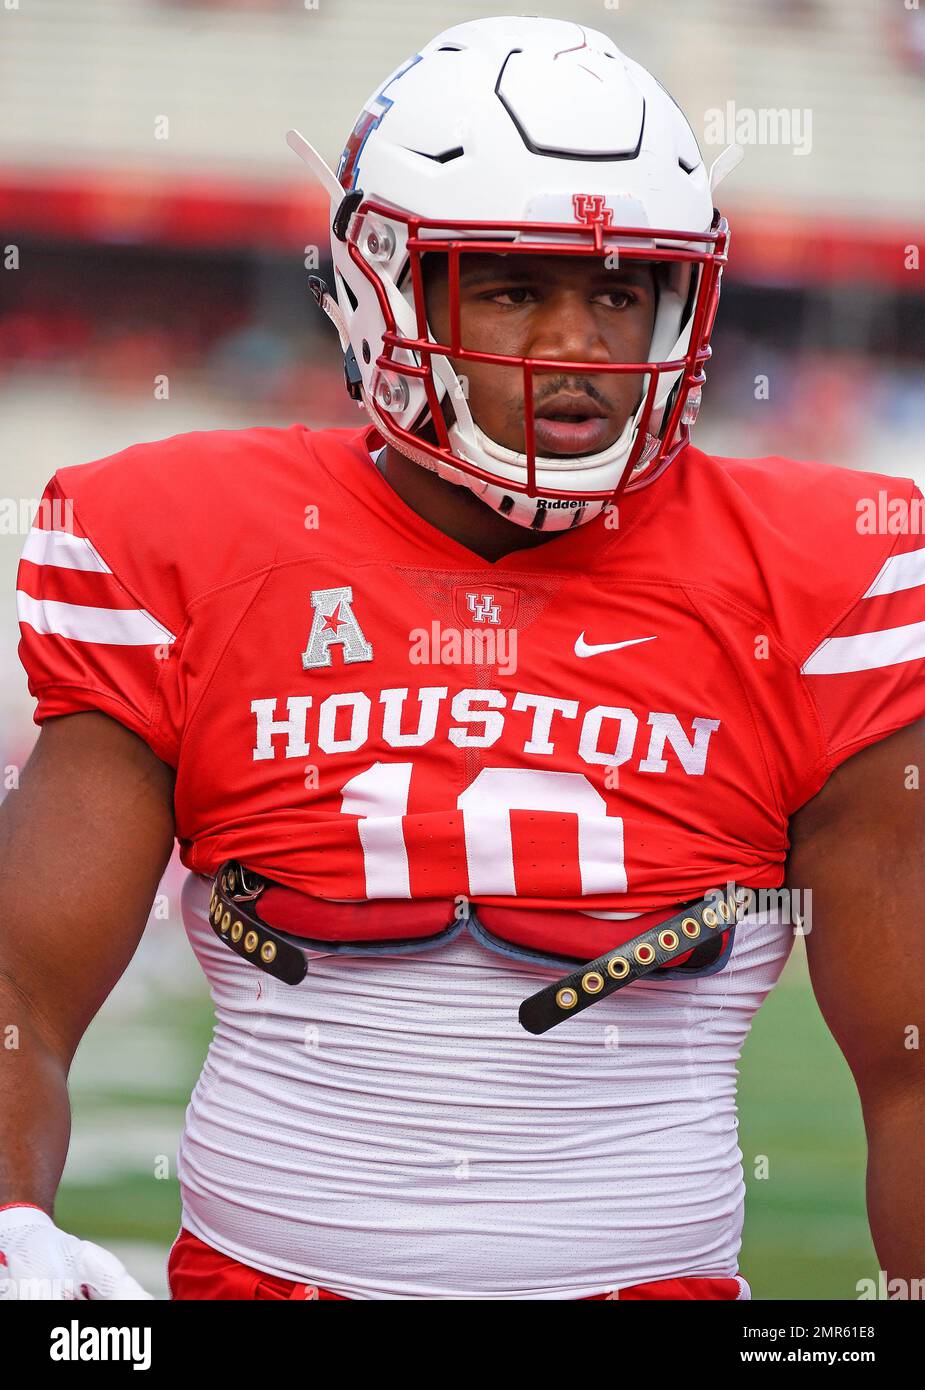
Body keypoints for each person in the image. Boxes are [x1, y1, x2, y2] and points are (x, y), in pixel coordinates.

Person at [3, 15, 924, 1302]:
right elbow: (20, 987)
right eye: (509, 285)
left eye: (619, 290)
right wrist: (7, 1222)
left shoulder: (819, 577)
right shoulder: (190, 541)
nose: (578, 345)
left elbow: (911, 1058)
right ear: (383, 284)